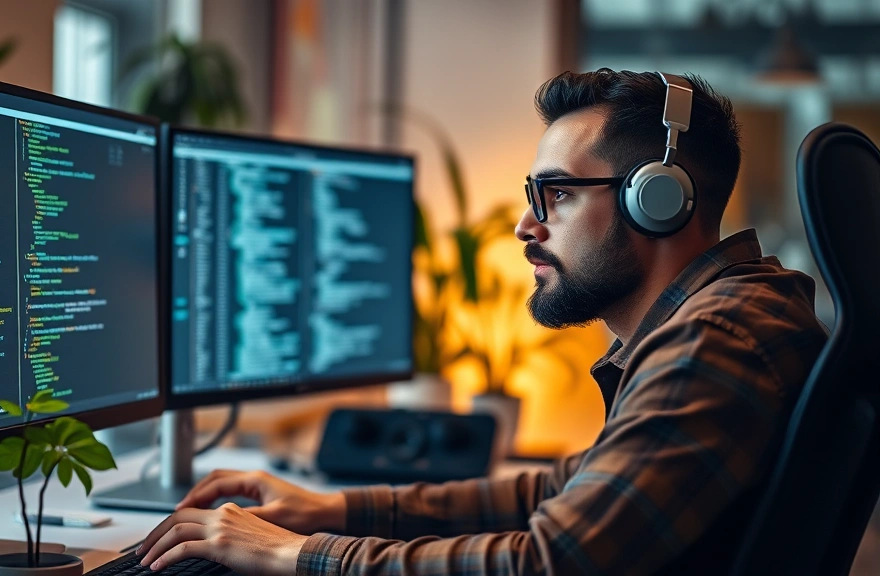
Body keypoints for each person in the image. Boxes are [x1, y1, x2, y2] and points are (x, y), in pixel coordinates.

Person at [135, 69, 829, 575]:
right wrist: (332, 511)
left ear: (658, 201)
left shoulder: (718, 340)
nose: (527, 225)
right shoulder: (725, 319)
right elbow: (562, 490)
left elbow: (548, 562)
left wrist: (289, 553)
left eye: (554, 193)